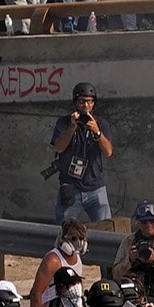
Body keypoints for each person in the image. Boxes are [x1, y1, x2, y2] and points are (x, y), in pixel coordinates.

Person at [49, 82, 114, 224]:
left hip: (95, 187)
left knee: (106, 230)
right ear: (75, 102)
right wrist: (72, 127)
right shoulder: (64, 122)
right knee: (64, 230)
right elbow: (59, 147)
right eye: (82, 101)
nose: (86, 106)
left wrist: (96, 132)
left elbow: (108, 151)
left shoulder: (101, 123)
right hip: (71, 187)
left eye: (90, 102)